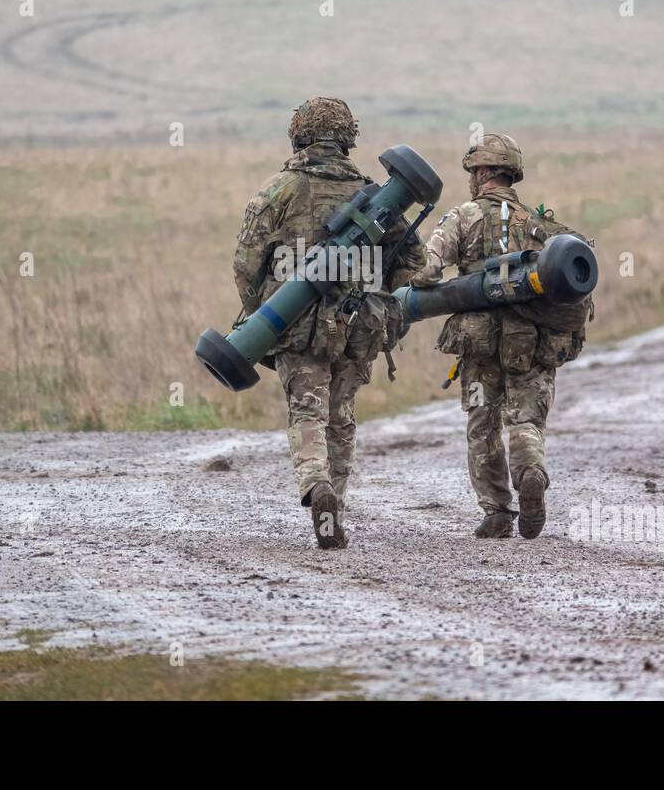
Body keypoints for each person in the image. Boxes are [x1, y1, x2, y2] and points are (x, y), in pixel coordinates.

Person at [232, 97, 424, 549]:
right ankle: (333, 499)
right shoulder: (376, 194)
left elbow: (245, 261)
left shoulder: (278, 189)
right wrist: (376, 294)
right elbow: (412, 260)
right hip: (359, 325)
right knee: (342, 417)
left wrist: (263, 311)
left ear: (299, 135)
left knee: (307, 409)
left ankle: (315, 483)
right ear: (347, 139)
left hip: (294, 322)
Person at [411, 133, 591, 539]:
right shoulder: (540, 224)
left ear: (484, 172)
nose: (472, 178)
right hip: (532, 341)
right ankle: (530, 472)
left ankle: (496, 511)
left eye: (474, 171)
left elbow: (427, 269)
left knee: (483, 423)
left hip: (480, 341)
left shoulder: (463, 216)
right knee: (526, 418)